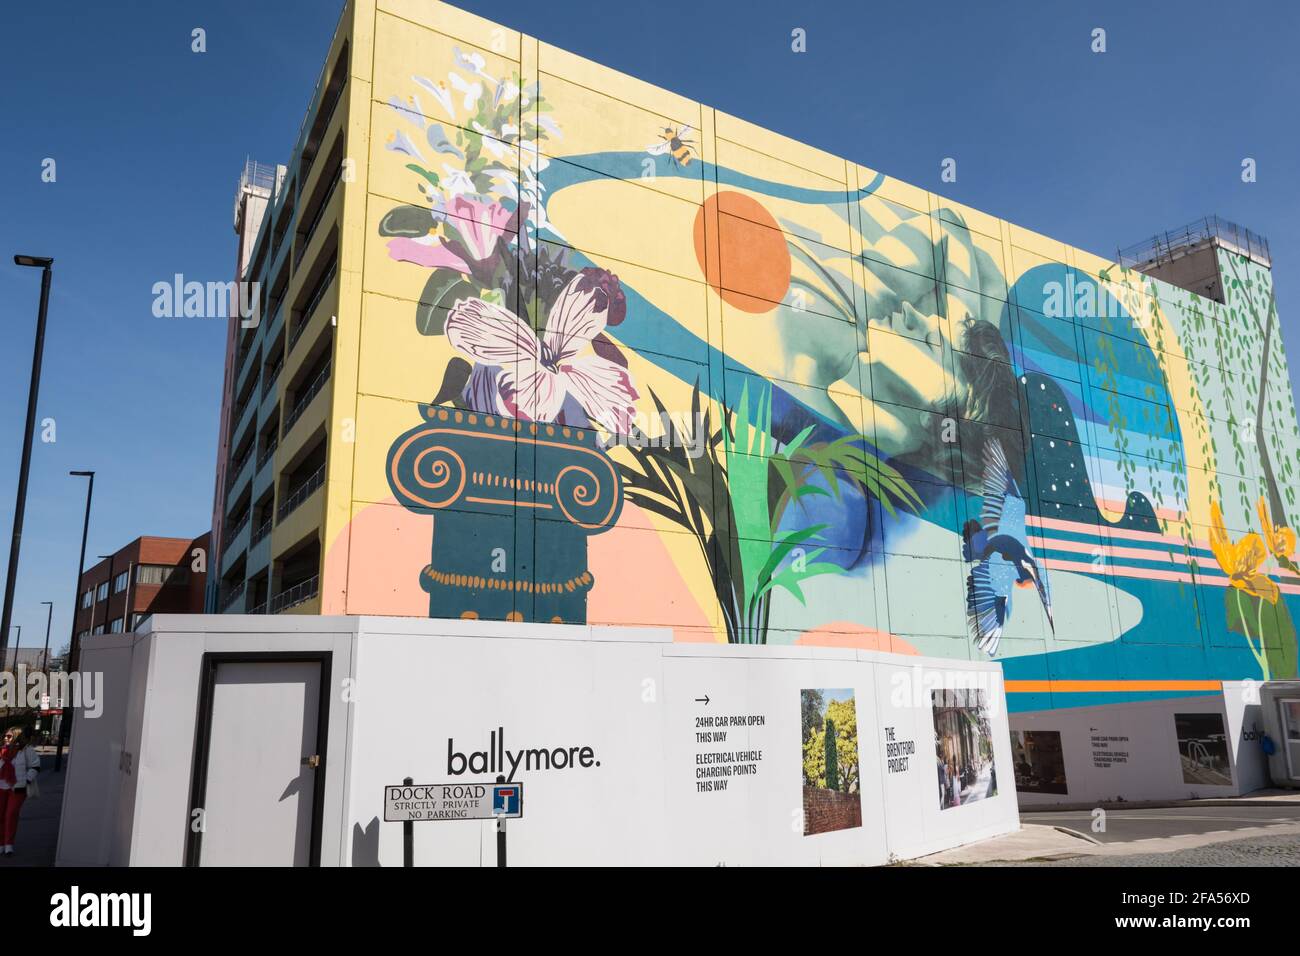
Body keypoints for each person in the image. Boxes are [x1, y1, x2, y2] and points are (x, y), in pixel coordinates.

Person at [0, 725, 40, 855]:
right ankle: (0, 844)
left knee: (10, 814)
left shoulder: (26, 750)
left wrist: (26, 780)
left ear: (16, 736)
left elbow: (35, 766)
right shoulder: (2, 750)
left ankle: (8, 845)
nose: (6, 738)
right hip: (1, 787)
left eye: (9, 736)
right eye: (5, 736)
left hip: (17, 788)